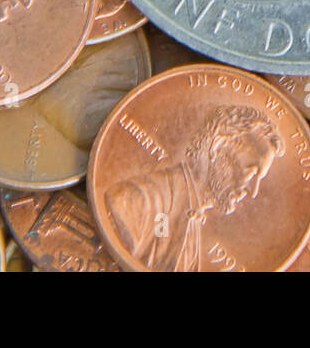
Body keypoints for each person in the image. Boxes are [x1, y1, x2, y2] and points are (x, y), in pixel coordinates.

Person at [104, 105, 284, 271]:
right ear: (217, 146)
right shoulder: (137, 199)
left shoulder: (194, 216)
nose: (252, 192)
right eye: (251, 173)